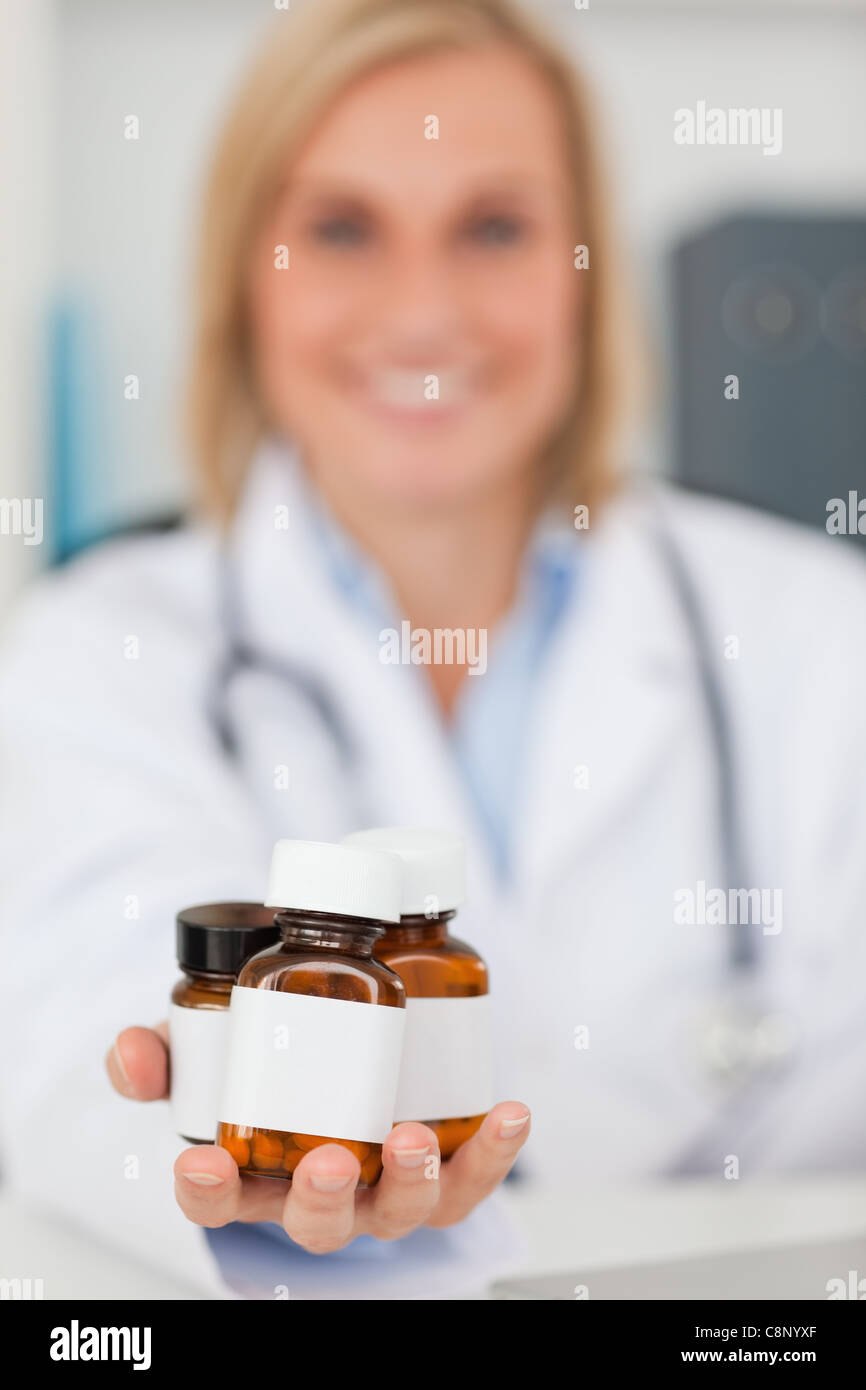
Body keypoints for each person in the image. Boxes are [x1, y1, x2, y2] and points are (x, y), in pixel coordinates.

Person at [1, 0, 865, 1300]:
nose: (422, 307)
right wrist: (229, 1140)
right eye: (341, 229)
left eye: (494, 227)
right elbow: (90, 1026)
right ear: (245, 274)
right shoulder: (102, 653)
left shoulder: (815, 630)